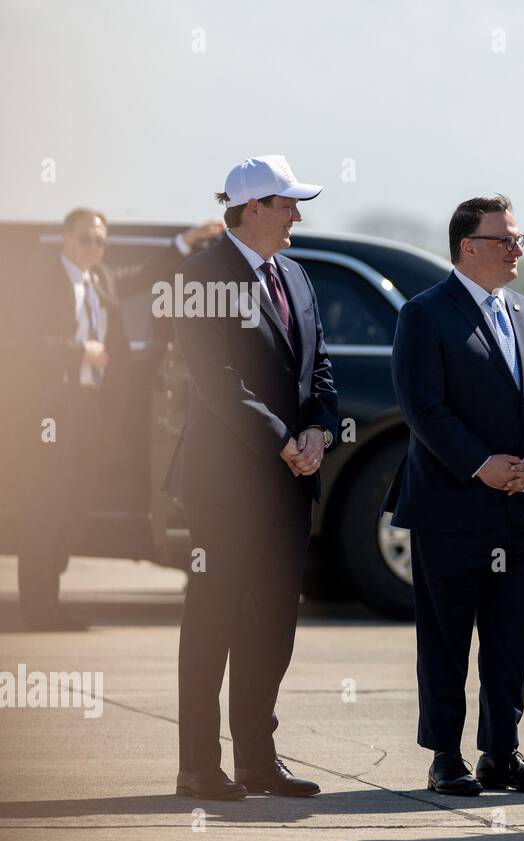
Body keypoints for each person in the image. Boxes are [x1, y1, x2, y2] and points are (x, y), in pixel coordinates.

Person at [386, 195, 524, 796]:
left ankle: (502, 752)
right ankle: (446, 754)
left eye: (519, 238)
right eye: (506, 239)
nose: (518, 248)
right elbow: (424, 409)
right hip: (452, 507)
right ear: (469, 247)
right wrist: (479, 465)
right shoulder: (425, 314)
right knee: (446, 637)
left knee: (513, 635)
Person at [169, 155, 338, 801]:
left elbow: (318, 369)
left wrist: (318, 432)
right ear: (254, 208)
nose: (298, 213)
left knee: (271, 622)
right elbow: (215, 381)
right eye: (288, 203)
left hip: (287, 481)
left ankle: (257, 760)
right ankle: (197, 765)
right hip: (224, 483)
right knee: (212, 619)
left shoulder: (294, 274)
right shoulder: (199, 274)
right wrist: (282, 442)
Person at [15, 208, 221, 630]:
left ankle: (48, 603)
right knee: (46, 509)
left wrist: (187, 241)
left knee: (74, 507)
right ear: (66, 239)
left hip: (89, 411)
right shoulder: (46, 282)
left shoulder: (101, 280)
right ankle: (37, 609)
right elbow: (24, 343)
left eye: (100, 240)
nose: (93, 247)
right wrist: (79, 352)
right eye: (85, 239)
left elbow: (145, 275)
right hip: (50, 413)